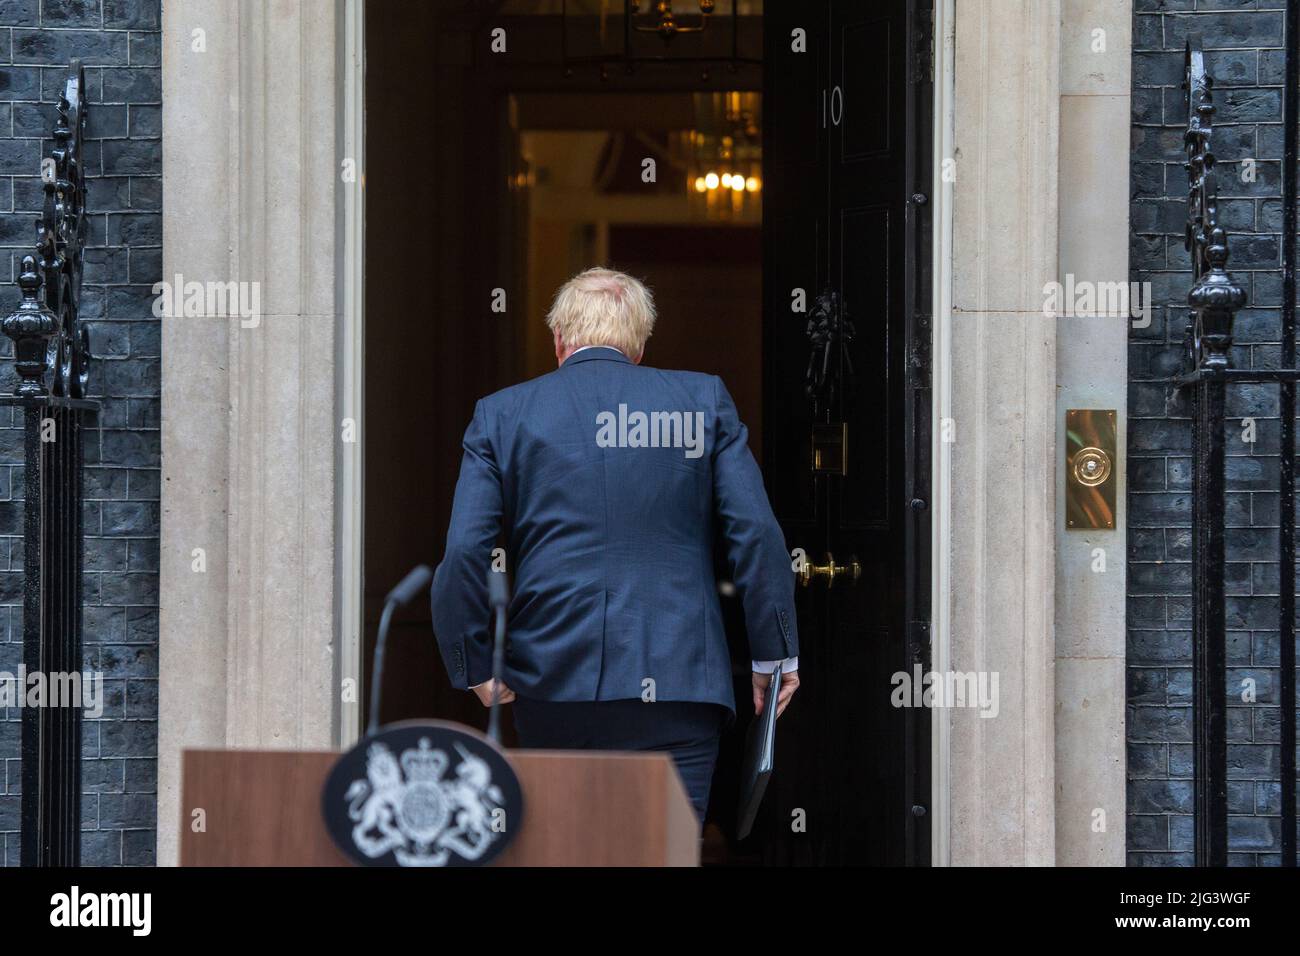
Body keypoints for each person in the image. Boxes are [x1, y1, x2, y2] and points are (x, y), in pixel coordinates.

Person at [430, 267, 799, 822]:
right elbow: (756, 534)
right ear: (641, 344)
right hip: (679, 686)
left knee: (562, 852)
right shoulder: (702, 400)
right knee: (665, 854)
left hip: (553, 684)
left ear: (559, 340)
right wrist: (773, 654)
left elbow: (463, 551)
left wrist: (474, 663)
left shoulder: (501, 414)